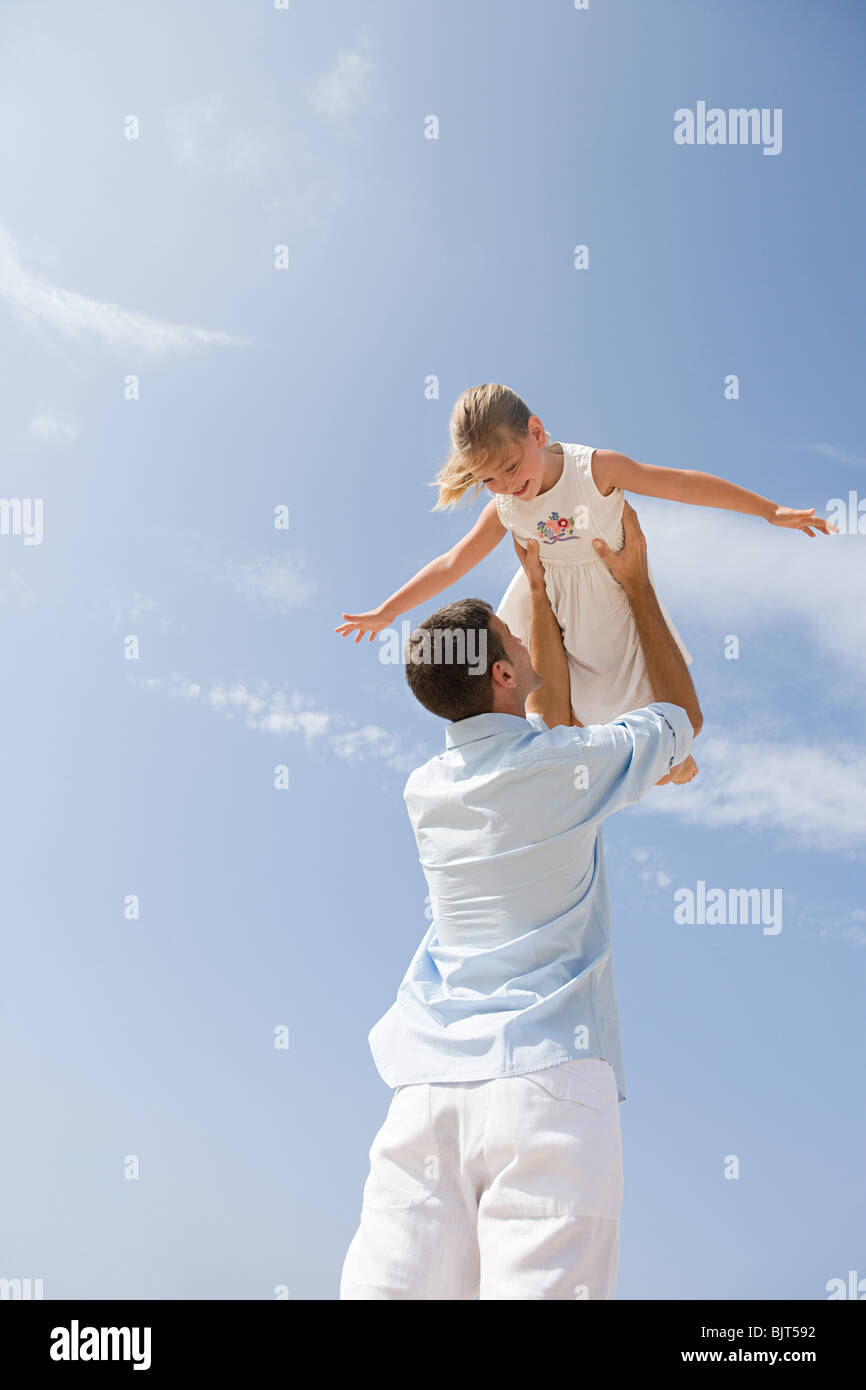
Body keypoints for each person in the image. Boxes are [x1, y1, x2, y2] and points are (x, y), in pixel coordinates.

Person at [339, 501, 703, 1300]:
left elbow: (535, 721)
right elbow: (682, 719)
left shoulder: (425, 790)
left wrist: (536, 591)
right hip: (549, 1085)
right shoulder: (569, 767)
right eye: (507, 636)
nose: (514, 627)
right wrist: (637, 589)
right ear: (503, 673)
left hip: (425, 1097)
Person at [335, 384, 836, 785]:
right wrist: (388, 610)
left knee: (646, 708)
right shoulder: (505, 507)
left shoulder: (592, 469)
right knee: (554, 725)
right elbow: (452, 562)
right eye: (489, 480)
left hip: (610, 591)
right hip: (549, 599)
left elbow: (681, 483)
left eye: (511, 467)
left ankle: (677, 762)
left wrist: (769, 510)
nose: (508, 486)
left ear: (536, 431)